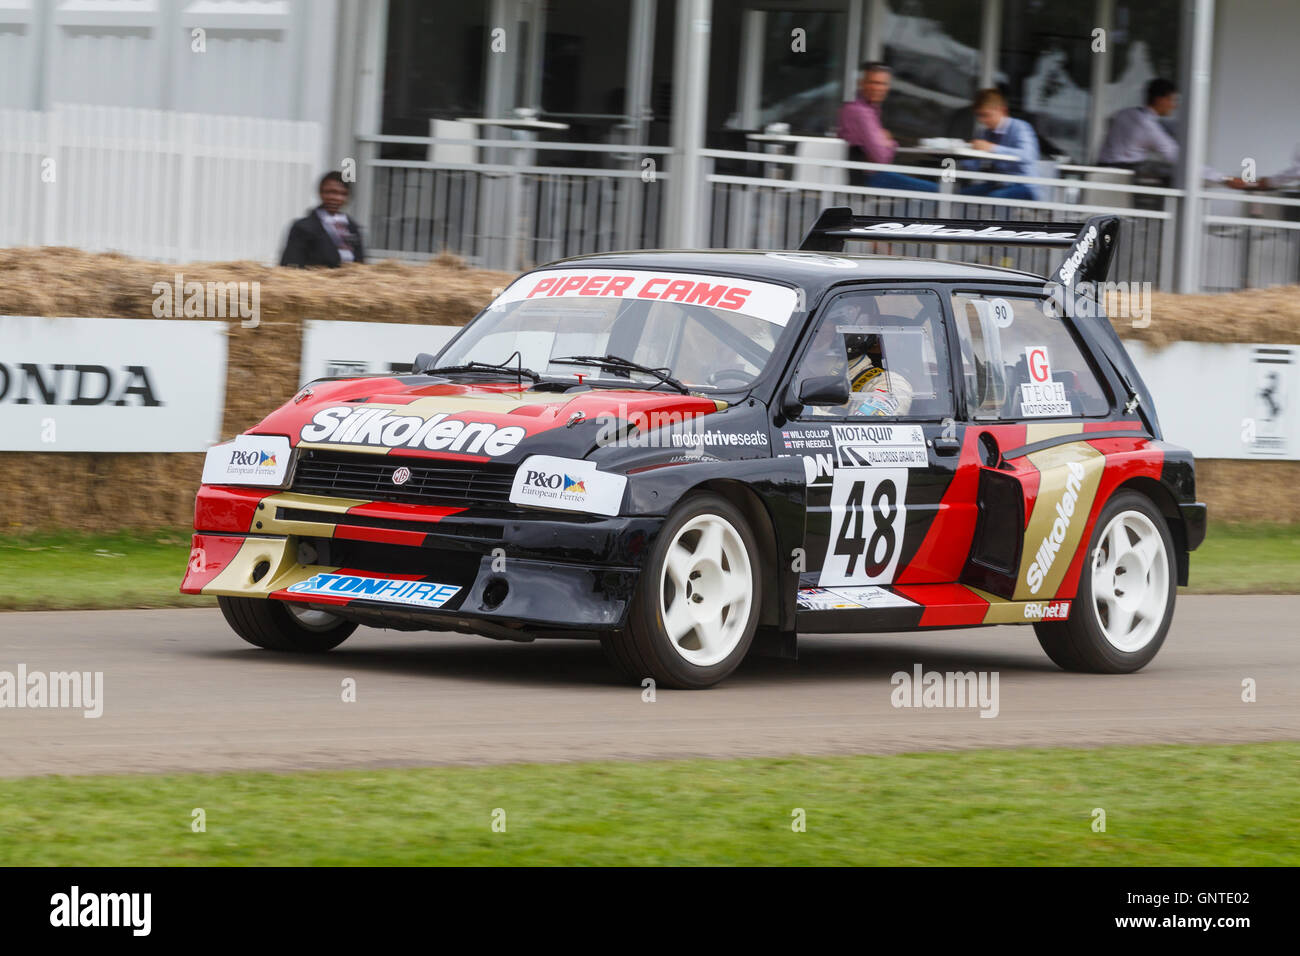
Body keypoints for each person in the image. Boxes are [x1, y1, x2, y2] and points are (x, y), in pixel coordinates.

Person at [837, 62, 938, 193]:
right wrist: (889, 142)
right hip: (869, 179)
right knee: (938, 191)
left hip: (871, 177)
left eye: (883, 84)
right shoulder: (860, 111)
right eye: (873, 82)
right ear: (861, 83)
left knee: (932, 187)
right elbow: (882, 158)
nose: (878, 88)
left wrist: (883, 141)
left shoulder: (869, 109)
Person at [958, 88, 1041, 200]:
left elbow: (1028, 156)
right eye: (979, 116)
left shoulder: (1021, 127)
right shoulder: (985, 133)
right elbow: (974, 166)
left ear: (1002, 110)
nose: (982, 120)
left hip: (1024, 185)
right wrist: (967, 152)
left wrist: (992, 148)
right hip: (998, 184)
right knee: (962, 195)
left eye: (986, 115)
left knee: (994, 198)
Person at [280, 171, 366, 268]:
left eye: (343, 194)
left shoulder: (352, 228)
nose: (336, 198)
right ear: (320, 193)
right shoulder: (303, 228)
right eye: (330, 192)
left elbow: (360, 265)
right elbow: (290, 266)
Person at [1097, 78, 1180, 168]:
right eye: (1171, 100)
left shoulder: (1124, 113)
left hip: (1101, 168)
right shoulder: (1147, 125)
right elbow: (1175, 155)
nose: (1174, 105)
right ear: (1160, 100)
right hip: (1122, 175)